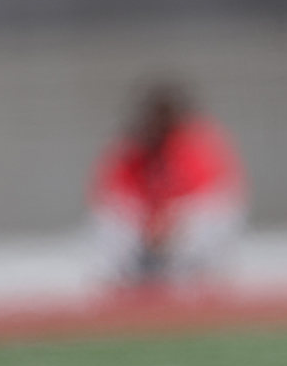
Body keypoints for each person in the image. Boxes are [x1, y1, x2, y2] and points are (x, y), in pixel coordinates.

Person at [89, 82, 246, 287]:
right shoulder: (131, 148)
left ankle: (201, 278)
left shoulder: (197, 142)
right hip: (143, 231)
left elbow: (213, 197)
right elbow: (112, 196)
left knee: (209, 221)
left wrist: (170, 221)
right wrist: (145, 223)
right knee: (108, 226)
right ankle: (122, 282)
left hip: (185, 231)